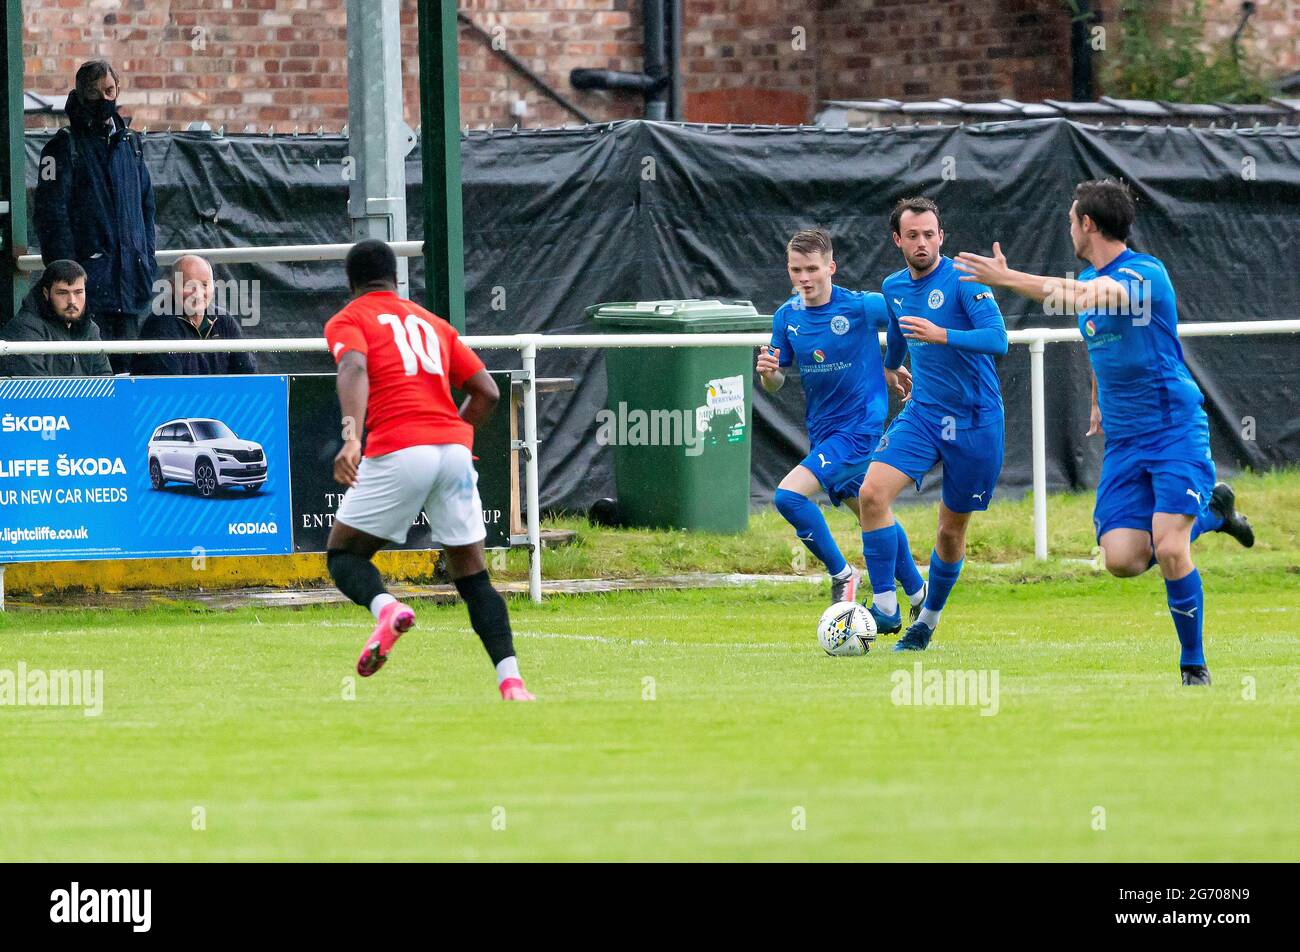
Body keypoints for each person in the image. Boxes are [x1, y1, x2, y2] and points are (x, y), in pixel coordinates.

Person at [953, 179, 1253, 686]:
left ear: (1088, 224)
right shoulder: (1097, 285)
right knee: (1122, 560)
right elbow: (1103, 345)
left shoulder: (1142, 275)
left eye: (1071, 220)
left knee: (1171, 546)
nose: (1069, 228)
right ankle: (1216, 513)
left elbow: (1092, 296)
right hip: (1126, 442)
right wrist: (1096, 400)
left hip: (1174, 429)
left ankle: (1193, 665)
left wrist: (1008, 278)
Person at [323, 239, 534, 701]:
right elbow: (488, 393)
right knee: (473, 575)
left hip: (400, 445)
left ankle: (387, 608)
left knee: (344, 555)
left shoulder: (351, 318)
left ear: (350, 283)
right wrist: (454, 432)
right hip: (453, 451)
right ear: (397, 280)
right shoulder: (432, 323)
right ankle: (512, 682)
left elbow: (355, 367)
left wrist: (352, 436)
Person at [858, 197, 1008, 651]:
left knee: (949, 530)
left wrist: (944, 335)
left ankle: (926, 620)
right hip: (923, 414)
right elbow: (902, 331)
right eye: (913, 235)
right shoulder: (893, 285)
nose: (922, 242)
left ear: (941, 237)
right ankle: (885, 607)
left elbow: (998, 339)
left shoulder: (964, 281)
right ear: (897, 240)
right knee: (870, 494)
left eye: (930, 234)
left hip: (975, 422)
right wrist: (890, 366)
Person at [758, 227, 926, 611]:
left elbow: (904, 317)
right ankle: (919, 594)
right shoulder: (786, 317)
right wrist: (769, 374)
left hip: (860, 429)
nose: (804, 278)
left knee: (787, 496)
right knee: (874, 513)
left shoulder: (862, 306)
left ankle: (842, 574)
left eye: (812, 269)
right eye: (796, 269)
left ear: (831, 267)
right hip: (824, 432)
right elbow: (776, 383)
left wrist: (892, 364)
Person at [34, 60, 156, 374]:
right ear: (80, 94)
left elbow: (147, 208)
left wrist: (147, 260)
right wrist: (70, 280)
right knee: (87, 378)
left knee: (128, 377)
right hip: (87, 295)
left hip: (130, 289)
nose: (104, 98)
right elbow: (51, 218)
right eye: (95, 92)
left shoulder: (131, 144)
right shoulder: (62, 148)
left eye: (110, 90)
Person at [132, 256, 257, 376]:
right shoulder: (159, 326)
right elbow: (170, 390)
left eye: (205, 284)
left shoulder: (224, 321)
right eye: (190, 286)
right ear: (172, 287)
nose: (198, 294)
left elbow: (248, 373)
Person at [0, 260, 112, 378]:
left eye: (78, 292)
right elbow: (33, 389)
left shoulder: (89, 328)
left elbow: (105, 378)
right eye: (62, 293)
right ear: (46, 293)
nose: (72, 301)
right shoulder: (24, 329)